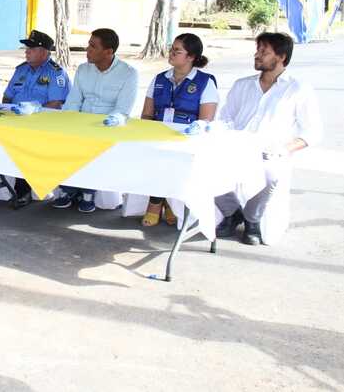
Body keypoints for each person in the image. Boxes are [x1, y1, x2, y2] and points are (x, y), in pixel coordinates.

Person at [214, 32, 321, 246]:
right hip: (237, 147)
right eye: (257, 50)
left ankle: (251, 219)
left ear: (281, 57)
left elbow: (313, 132)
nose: (257, 55)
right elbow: (225, 118)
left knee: (271, 172)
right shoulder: (242, 85)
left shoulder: (297, 89)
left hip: (271, 152)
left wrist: (284, 149)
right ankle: (231, 212)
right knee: (205, 165)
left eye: (264, 52)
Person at [52, 28, 138, 212]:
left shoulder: (128, 73)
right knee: (60, 140)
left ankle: (88, 192)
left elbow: (122, 110)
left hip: (107, 126)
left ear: (108, 52)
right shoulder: (83, 69)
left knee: (93, 144)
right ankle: (68, 189)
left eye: (93, 46)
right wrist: (68, 123)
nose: (87, 50)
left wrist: (106, 124)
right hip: (80, 123)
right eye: (88, 45)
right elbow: (74, 101)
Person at [139, 33, 218, 226]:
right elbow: (147, 114)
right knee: (151, 158)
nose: (171, 53)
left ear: (191, 57)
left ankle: (164, 204)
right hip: (158, 135)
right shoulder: (159, 79)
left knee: (174, 162)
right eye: (172, 49)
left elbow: (206, 119)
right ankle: (158, 202)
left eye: (177, 51)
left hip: (187, 138)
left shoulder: (205, 81)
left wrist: (193, 130)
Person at [2, 30, 71, 206]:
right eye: (27, 48)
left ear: (44, 52)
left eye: (31, 48)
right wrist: (6, 112)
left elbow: (56, 104)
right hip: (14, 120)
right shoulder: (21, 70)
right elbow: (7, 96)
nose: (26, 51)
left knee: (25, 142)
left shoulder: (56, 73)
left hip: (40, 124)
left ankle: (22, 191)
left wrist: (30, 113)